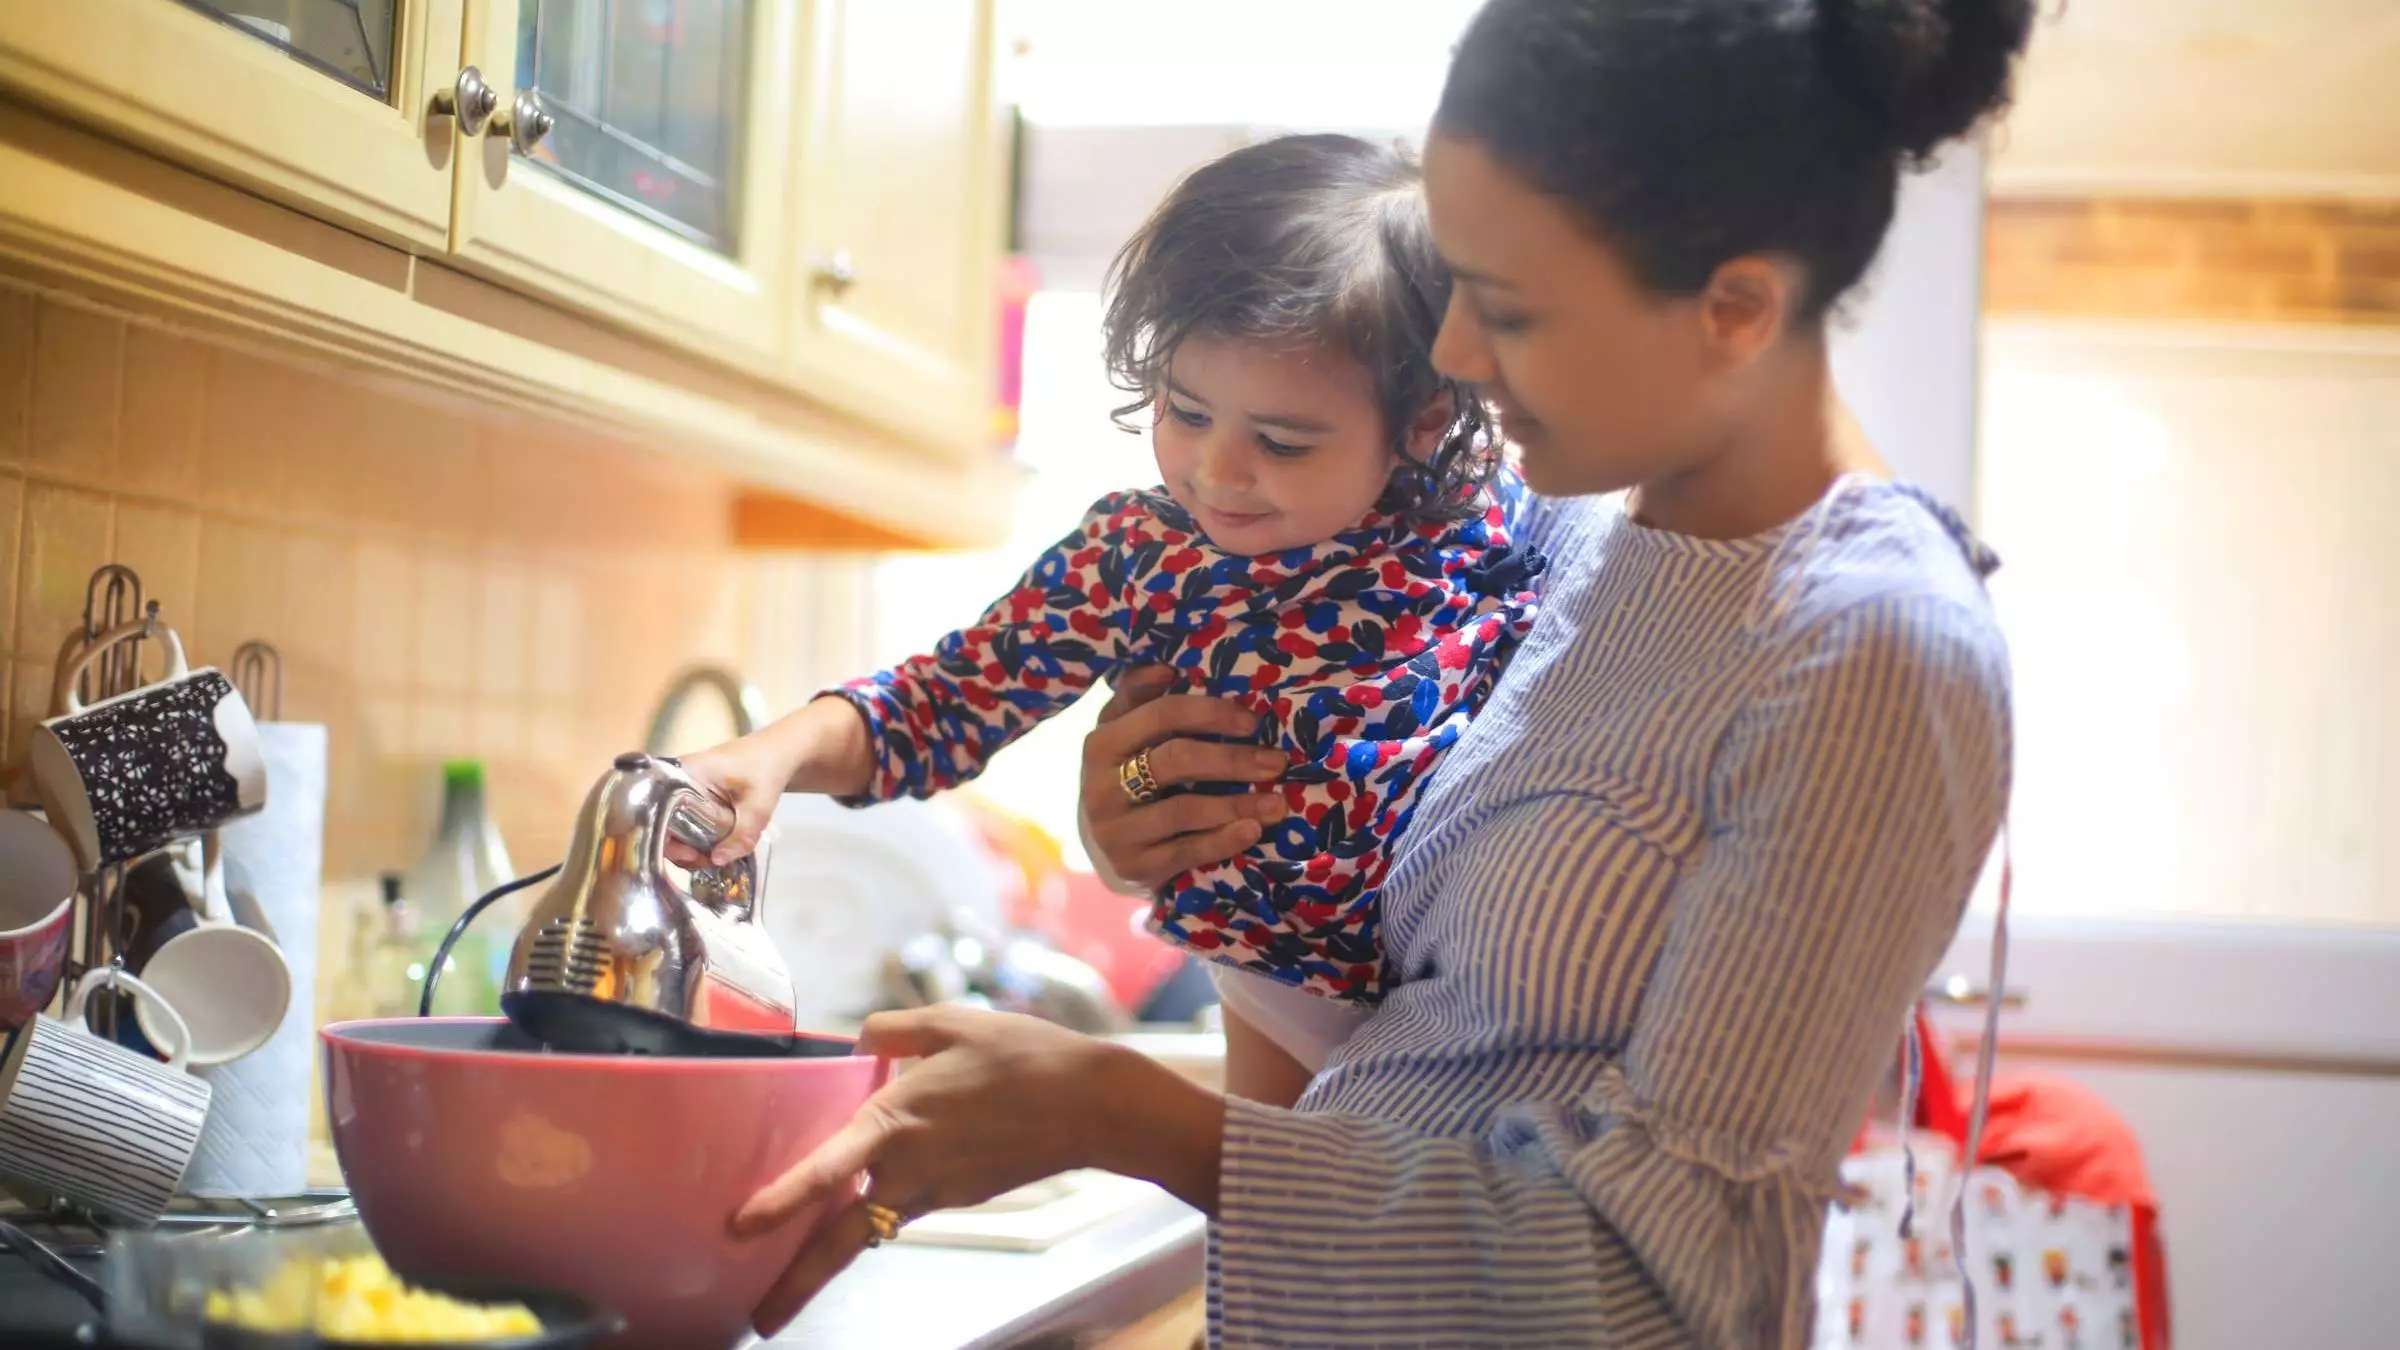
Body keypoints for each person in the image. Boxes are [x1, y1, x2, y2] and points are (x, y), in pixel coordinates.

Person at [724, 0, 2032, 1344]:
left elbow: (1666, 1284)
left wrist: (1123, 1114)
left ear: (1736, 307)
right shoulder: (1573, 532)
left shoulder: (1868, 650)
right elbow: (1392, 922)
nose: (1451, 357)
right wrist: (1127, 800)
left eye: (1507, 307)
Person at [678, 133, 1542, 1110]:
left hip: (1468, 1000)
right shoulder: (1139, 557)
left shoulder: (1490, 528)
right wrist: (777, 756)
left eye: (1282, 441)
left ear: (1424, 421)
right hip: (1274, 989)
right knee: (1277, 1222)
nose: (1219, 472)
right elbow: (944, 703)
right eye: (1186, 410)